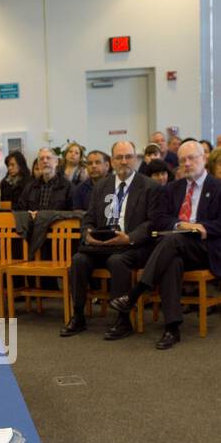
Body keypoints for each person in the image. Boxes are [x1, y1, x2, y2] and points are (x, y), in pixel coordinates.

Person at [108, 140, 221, 349]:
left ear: (203, 159)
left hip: (204, 248)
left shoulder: (220, 188)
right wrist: (179, 224)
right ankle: (172, 327)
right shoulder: (172, 188)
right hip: (175, 248)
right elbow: (159, 219)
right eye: (183, 159)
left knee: (173, 241)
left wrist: (201, 227)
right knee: (172, 259)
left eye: (191, 158)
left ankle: (136, 292)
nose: (186, 163)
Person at [62, 140, 163, 339]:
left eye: (128, 157)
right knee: (79, 260)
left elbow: (153, 223)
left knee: (117, 261)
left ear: (135, 159)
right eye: (119, 157)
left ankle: (122, 320)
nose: (124, 161)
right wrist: (88, 234)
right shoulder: (102, 186)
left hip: (134, 246)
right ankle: (78, 315)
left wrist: (129, 238)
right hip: (103, 244)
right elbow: (89, 217)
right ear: (112, 161)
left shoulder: (149, 186)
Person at [15, 147, 73, 215]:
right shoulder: (29, 187)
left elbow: (72, 214)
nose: (45, 161)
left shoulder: (68, 187)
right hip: (33, 224)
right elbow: (20, 211)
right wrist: (28, 215)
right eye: (41, 159)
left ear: (56, 162)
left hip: (58, 224)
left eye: (48, 158)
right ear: (38, 164)